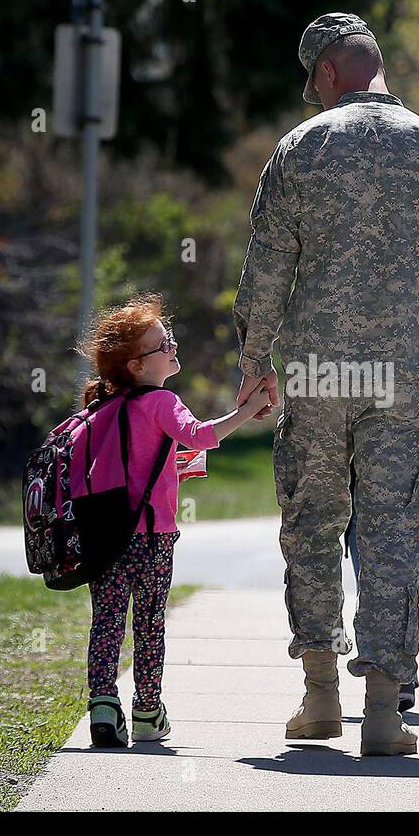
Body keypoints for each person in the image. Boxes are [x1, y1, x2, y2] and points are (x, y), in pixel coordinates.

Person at [233, 12, 419, 756]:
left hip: (315, 370)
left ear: (324, 74)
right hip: (404, 375)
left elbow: (267, 271)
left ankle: (319, 696)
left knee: (312, 523)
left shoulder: (300, 148)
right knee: (390, 534)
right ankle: (383, 710)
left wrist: (255, 365)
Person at [78, 295, 270, 747]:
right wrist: (246, 412)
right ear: (137, 367)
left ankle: (103, 706)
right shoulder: (162, 401)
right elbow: (200, 435)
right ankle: (147, 710)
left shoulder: (102, 408)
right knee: (149, 622)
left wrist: (172, 468)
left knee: (106, 621)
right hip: (152, 537)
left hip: (103, 534)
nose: (172, 346)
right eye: (163, 343)